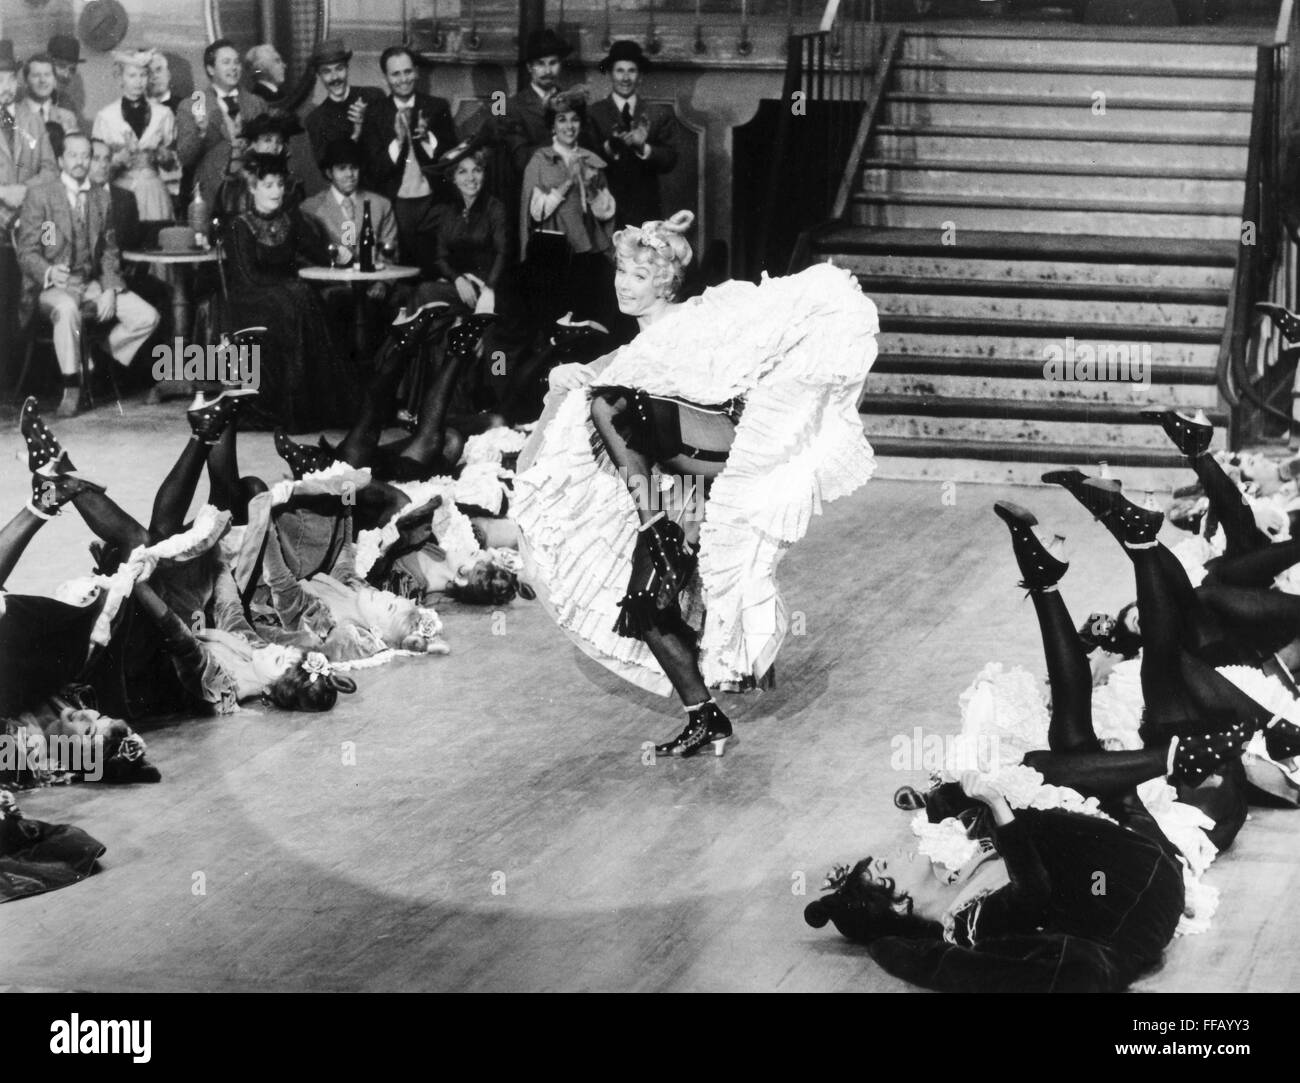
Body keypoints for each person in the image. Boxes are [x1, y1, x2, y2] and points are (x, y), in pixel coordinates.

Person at [514, 211, 880, 756]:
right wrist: (558, 373)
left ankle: (654, 525)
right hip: (679, 488)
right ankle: (704, 715)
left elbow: (763, 333)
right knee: (646, 604)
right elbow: (597, 380)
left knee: (612, 403)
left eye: (639, 276)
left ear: (665, 283)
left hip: (717, 450)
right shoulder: (630, 353)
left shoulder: (698, 318)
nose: (624, 284)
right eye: (621, 272)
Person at [16, 132, 160, 417]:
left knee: (147, 316)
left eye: (86, 156)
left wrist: (109, 289)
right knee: (68, 308)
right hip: (50, 288)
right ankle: (72, 386)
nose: (80, 162)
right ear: (61, 160)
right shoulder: (41, 196)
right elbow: (27, 252)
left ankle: (97, 354)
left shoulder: (101, 197)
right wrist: (49, 270)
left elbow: (109, 251)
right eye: (73, 155)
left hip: (90, 284)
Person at [223, 151, 355, 432]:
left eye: (280, 185)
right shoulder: (239, 225)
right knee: (296, 298)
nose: (276, 192)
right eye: (268, 185)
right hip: (250, 300)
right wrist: (288, 289)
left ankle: (317, 408)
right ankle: (293, 412)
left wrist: (340, 255)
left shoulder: (290, 219)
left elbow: (317, 253)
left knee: (303, 297)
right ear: (253, 188)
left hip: (287, 297)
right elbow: (247, 277)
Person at [519, 90, 617, 329]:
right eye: (562, 120)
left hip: (587, 249)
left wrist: (591, 187)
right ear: (552, 126)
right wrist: (568, 182)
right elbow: (536, 213)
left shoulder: (591, 159)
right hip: (553, 252)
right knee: (554, 318)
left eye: (574, 119)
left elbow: (606, 212)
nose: (569, 126)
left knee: (588, 314)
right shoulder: (540, 160)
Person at [360, 45, 456, 276]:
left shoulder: (437, 107)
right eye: (396, 74)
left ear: (416, 72)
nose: (403, 79)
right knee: (400, 270)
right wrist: (398, 141)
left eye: (407, 71)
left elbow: (451, 158)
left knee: (433, 268)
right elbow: (374, 169)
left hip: (434, 202)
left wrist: (428, 139)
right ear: (385, 78)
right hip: (395, 204)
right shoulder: (374, 113)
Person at [0, 40, 58, 384]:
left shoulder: (30, 119)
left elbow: (50, 170)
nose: (5, 85)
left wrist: (24, 191)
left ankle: (17, 382)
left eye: (9, 78)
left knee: (20, 303)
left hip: (26, 227)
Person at [587, 41, 678, 230]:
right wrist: (609, 148)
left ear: (640, 76)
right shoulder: (594, 113)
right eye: (620, 71)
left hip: (645, 208)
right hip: (604, 206)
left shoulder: (657, 114)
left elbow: (670, 159)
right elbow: (585, 158)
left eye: (632, 71)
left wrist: (644, 147)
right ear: (610, 74)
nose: (625, 78)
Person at [92, 48, 178, 226]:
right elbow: (95, 165)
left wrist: (163, 156)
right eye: (132, 75)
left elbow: (174, 163)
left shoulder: (163, 114)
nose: (138, 81)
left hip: (154, 192)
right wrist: (119, 159)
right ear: (120, 78)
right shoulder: (106, 117)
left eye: (143, 75)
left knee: (156, 235)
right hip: (119, 192)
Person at [176, 38, 266, 204]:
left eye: (236, 62)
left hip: (252, 192)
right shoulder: (192, 105)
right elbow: (185, 158)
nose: (233, 67)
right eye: (226, 62)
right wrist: (200, 133)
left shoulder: (257, 104)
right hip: (212, 195)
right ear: (211, 69)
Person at [429, 147, 506, 313]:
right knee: (427, 298)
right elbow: (440, 257)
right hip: (462, 287)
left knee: (426, 293)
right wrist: (457, 279)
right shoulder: (449, 212)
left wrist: (489, 288)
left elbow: (503, 253)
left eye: (477, 170)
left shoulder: (495, 208)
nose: (471, 178)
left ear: (484, 174)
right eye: (462, 172)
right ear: (453, 178)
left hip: (490, 289)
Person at [304, 38, 384, 168]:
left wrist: (368, 120)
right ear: (319, 75)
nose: (335, 77)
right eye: (326, 71)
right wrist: (356, 134)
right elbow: (327, 170)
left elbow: (389, 146)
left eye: (339, 68)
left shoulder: (373, 96)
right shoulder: (315, 120)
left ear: (347, 68)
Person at [19, 53, 80, 137]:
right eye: (36, 75)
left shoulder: (67, 117)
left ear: (54, 80)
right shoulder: (15, 115)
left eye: (47, 75)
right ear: (26, 81)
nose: (43, 80)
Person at [45, 35, 86, 133]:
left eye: (72, 69)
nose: (66, 74)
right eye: (61, 66)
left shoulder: (74, 83)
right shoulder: (29, 90)